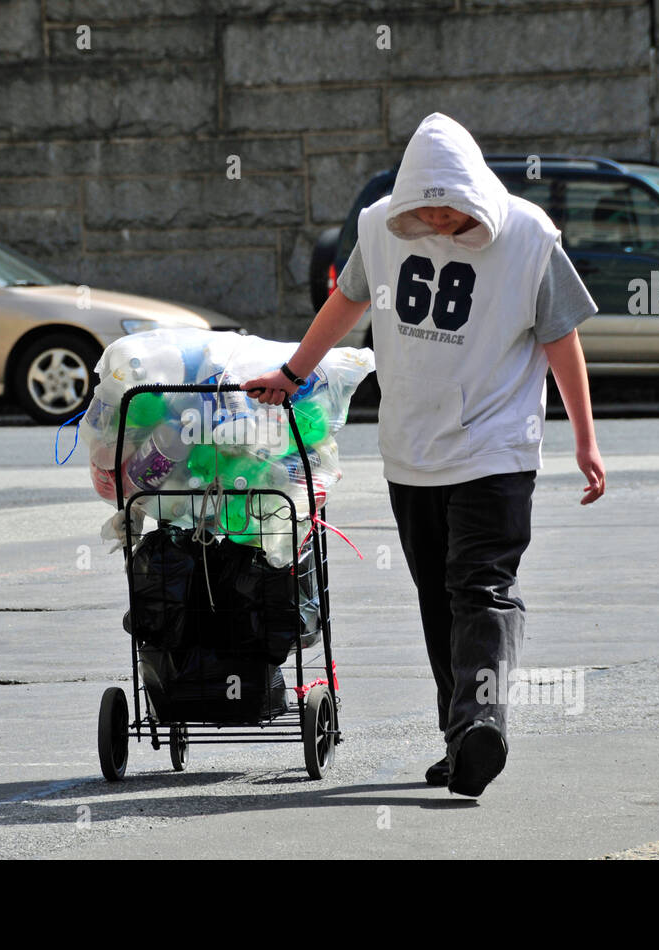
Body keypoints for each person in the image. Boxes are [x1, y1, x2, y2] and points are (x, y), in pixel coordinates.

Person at [243, 112, 606, 798]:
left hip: (497, 451)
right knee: (439, 600)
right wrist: (292, 376)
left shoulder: (528, 235)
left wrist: (585, 438)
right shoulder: (381, 226)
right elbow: (346, 301)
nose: (438, 219)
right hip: (410, 450)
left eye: (450, 206)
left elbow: (562, 338)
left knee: (483, 589)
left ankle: (481, 722)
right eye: (426, 206)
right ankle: (460, 736)